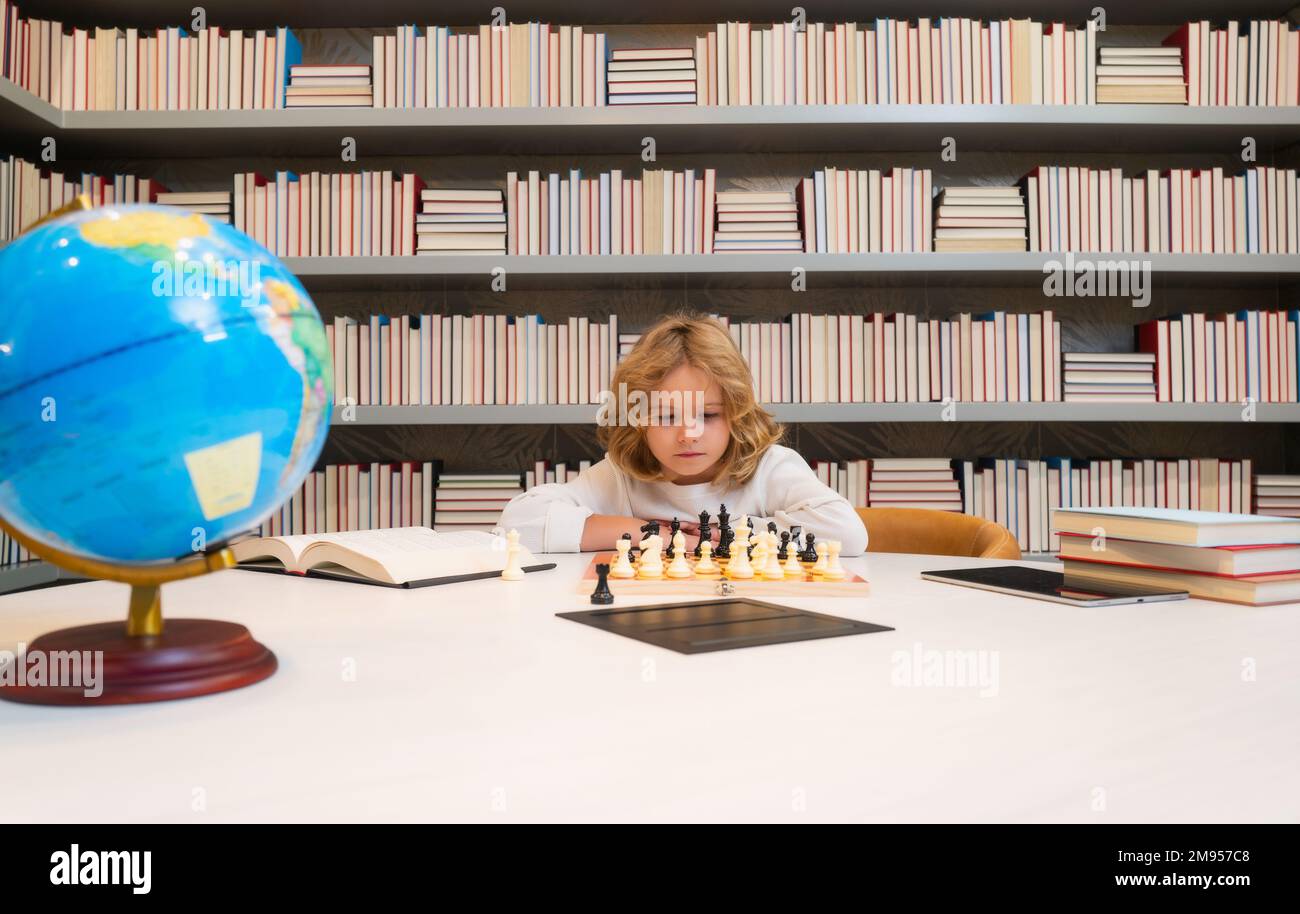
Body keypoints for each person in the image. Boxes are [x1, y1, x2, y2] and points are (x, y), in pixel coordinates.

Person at [499, 312, 868, 555]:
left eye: (707, 415)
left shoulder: (769, 468)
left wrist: (726, 533)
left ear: (736, 414)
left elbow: (848, 532)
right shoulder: (622, 477)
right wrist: (651, 533)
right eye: (665, 417)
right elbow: (517, 525)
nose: (688, 434)